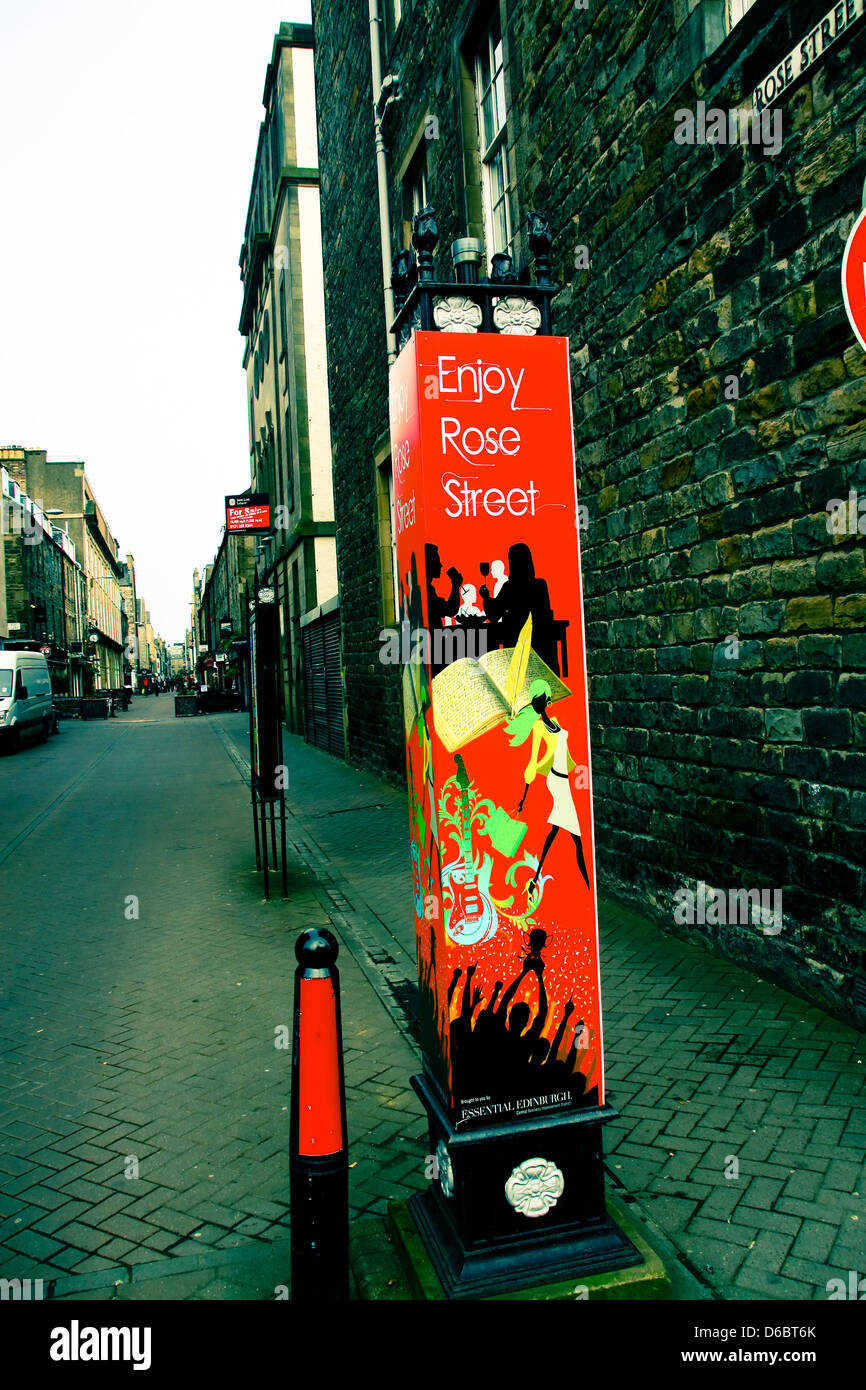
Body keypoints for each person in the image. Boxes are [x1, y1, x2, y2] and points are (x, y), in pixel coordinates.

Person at [506, 679, 589, 897]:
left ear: (546, 698)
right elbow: (532, 762)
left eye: (540, 699)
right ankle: (586, 884)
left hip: (564, 781)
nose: (538, 703)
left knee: (556, 833)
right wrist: (524, 796)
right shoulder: (538, 727)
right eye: (535, 700)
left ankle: (534, 881)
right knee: (575, 838)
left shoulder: (556, 721)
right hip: (556, 782)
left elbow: (566, 750)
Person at [480, 542, 558, 672]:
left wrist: (486, 597)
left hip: (517, 651)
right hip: (542, 651)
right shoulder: (540, 585)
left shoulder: (510, 587)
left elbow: (494, 615)